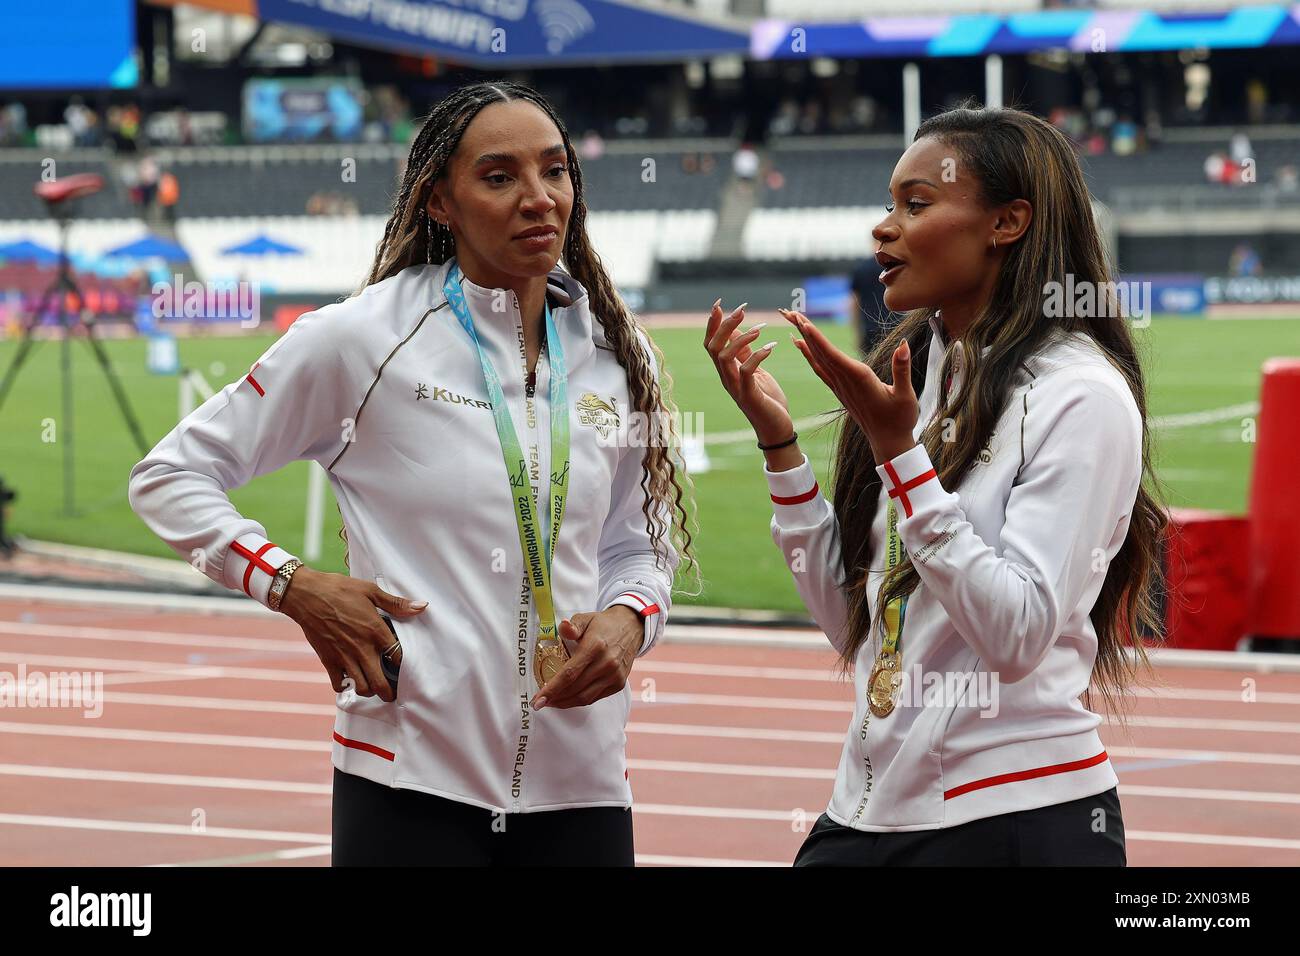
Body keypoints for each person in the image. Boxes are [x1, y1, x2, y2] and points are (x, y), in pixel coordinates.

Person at [128, 81, 697, 866]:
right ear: (440, 202)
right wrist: (292, 584)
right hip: (410, 789)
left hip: (584, 789)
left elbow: (638, 546)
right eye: (499, 177)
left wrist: (632, 617)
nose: (539, 198)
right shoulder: (364, 340)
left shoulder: (614, 349)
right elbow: (169, 474)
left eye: (555, 171)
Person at [703, 105, 1164, 866]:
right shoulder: (921, 375)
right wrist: (779, 444)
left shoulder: (1079, 394)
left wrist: (902, 459)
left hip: (1014, 816)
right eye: (891, 205)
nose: (883, 229)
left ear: (1006, 223)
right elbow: (855, 626)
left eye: (915, 205)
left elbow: (1017, 634)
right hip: (867, 809)